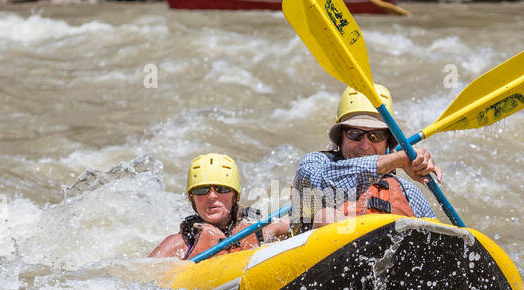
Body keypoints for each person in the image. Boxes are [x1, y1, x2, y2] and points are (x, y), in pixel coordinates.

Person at [292, 85, 441, 229]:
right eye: (355, 134)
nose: (365, 146)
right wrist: (398, 160)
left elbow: (437, 238)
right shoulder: (315, 163)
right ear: (340, 137)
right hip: (329, 250)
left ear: (388, 142)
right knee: (327, 217)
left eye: (376, 136)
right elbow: (317, 183)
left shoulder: (408, 191)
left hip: (389, 252)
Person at [148, 153, 289, 259]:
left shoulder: (263, 230)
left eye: (222, 189)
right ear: (192, 198)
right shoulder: (179, 245)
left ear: (234, 196)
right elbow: (136, 279)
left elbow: (308, 228)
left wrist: (306, 201)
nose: (212, 196)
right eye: (201, 190)